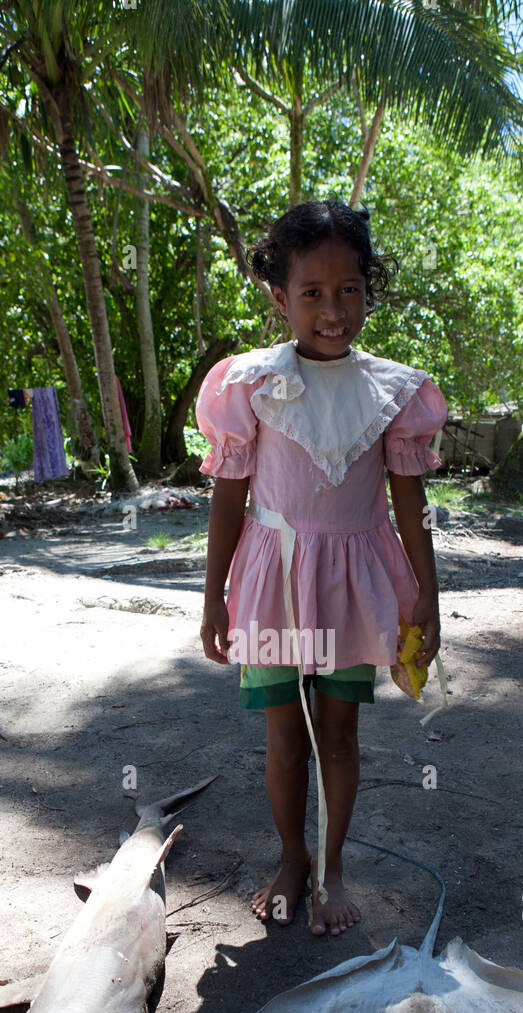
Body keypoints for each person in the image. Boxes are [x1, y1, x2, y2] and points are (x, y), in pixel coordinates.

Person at [196, 200, 447, 937]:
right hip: (273, 584)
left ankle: (334, 866)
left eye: (348, 290)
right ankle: (293, 857)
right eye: (311, 293)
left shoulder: (394, 394)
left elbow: (411, 507)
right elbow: (229, 499)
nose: (332, 310)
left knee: (339, 735)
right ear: (280, 297)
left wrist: (425, 597)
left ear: (369, 290)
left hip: (351, 589)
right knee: (284, 737)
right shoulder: (249, 387)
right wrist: (213, 595)